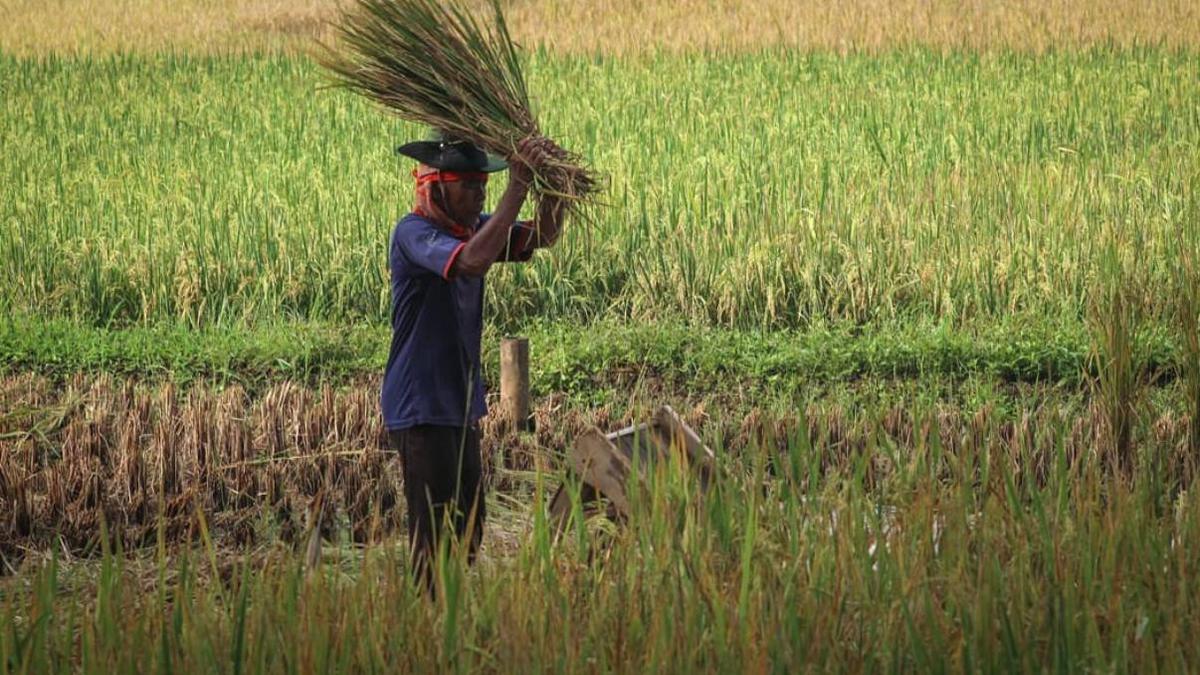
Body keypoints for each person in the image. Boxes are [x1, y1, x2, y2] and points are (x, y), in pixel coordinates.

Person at [381, 129, 564, 591]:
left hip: (460, 405)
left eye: (485, 185)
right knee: (433, 541)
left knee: (468, 532)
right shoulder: (415, 233)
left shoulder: (474, 227)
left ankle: (452, 620)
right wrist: (517, 187)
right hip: (422, 406)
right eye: (472, 185)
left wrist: (555, 186)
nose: (481, 193)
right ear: (436, 186)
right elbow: (471, 262)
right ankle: (428, 629)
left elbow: (541, 236)